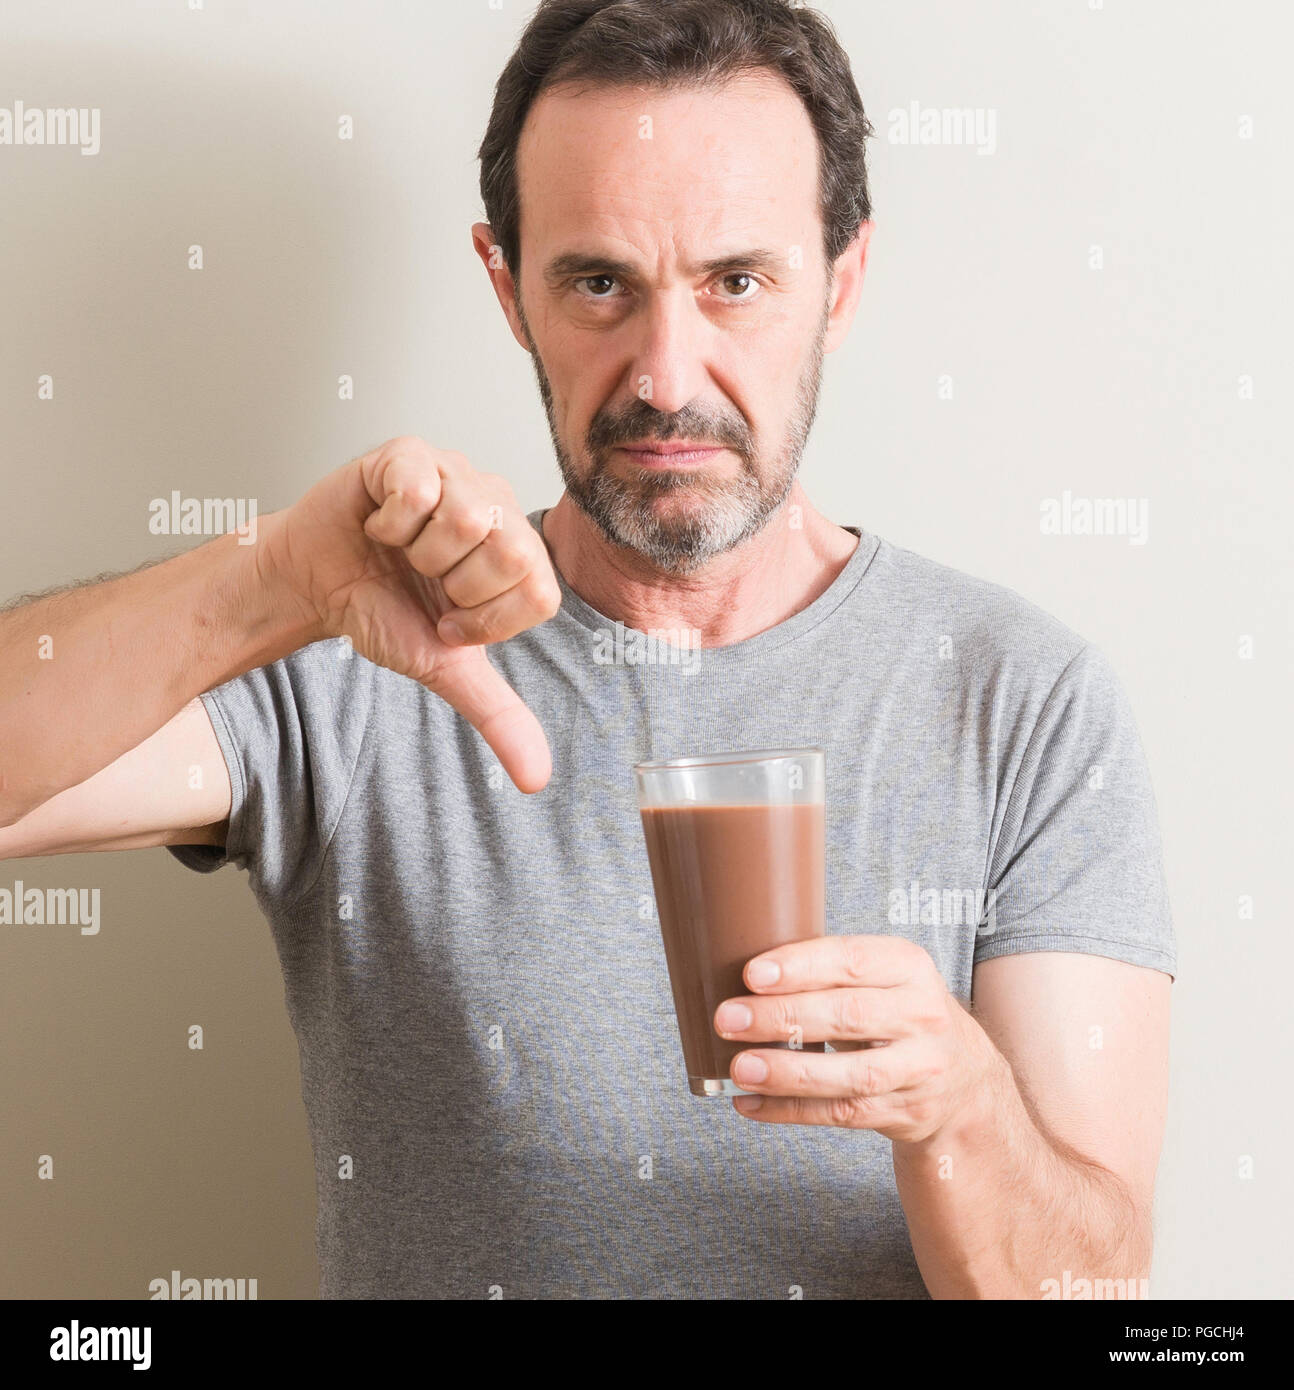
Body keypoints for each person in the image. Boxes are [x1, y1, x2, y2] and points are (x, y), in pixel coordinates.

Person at [0, 0, 1174, 1299]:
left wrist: (961, 1109)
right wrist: (262, 580)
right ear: (508, 287)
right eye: (600, 284)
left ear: (840, 284)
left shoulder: (1023, 703)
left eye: (736, 282)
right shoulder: (363, 637)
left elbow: (1097, 1298)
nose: (666, 375)